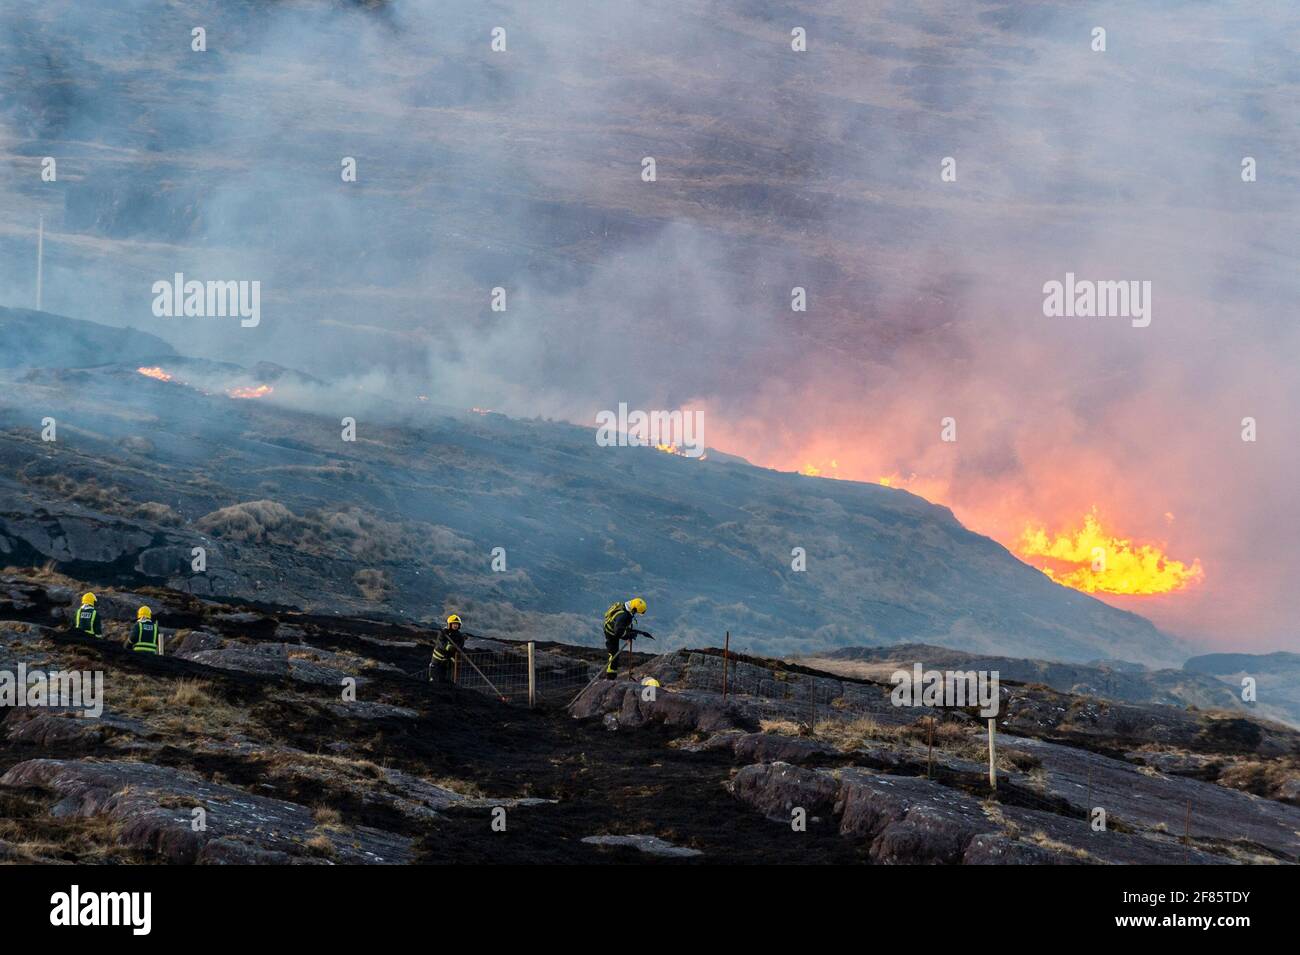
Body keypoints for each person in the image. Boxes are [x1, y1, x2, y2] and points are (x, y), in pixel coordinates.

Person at [602, 597, 647, 679]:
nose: (636, 614)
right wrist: (628, 635)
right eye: (636, 612)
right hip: (611, 633)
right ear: (633, 609)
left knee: (614, 654)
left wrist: (628, 632)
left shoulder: (625, 608)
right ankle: (610, 676)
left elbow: (620, 627)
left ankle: (612, 675)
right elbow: (618, 632)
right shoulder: (623, 615)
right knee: (614, 654)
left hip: (614, 628)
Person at [429, 614, 467, 683]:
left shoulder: (459, 636)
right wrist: (449, 647)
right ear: (449, 624)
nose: (455, 625)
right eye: (453, 624)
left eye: (457, 624)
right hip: (436, 660)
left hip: (447, 661)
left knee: (443, 679)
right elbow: (440, 642)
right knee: (433, 678)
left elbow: (459, 648)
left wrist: (453, 657)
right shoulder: (443, 632)